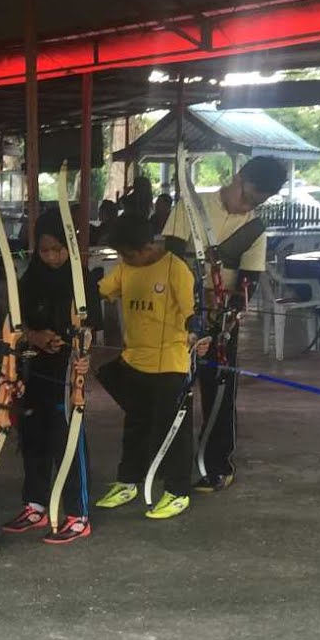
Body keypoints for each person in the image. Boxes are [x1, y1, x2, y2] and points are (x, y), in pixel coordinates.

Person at [164, 154, 287, 492]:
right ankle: (169, 462)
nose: (246, 206)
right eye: (246, 197)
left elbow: (248, 279)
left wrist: (231, 312)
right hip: (176, 313)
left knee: (219, 390)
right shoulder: (192, 206)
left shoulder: (254, 229)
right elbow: (169, 259)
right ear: (238, 177)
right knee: (170, 388)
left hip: (220, 320)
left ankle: (217, 464)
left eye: (256, 203)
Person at [92, 213, 201, 520]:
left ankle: (177, 491)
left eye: (129, 254)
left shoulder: (175, 269)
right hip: (134, 360)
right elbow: (102, 290)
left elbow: (191, 312)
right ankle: (129, 481)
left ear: (147, 247)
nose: (126, 260)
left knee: (172, 430)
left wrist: (196, 329)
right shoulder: (126, 267)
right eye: (122, 255)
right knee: (136, 424)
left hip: (170, 363)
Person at [1, 207, 92, 544]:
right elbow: (17, 324)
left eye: (58, 249)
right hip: (33, 371)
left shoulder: (81, 279)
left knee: (67, 440)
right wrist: (35, 337)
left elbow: (91, 329)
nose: (52, 256)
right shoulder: (30, 280)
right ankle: (35, 504)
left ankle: (78, 514)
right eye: (44, 250)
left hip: (67, 375)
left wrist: (81, 353)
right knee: (33, 438)